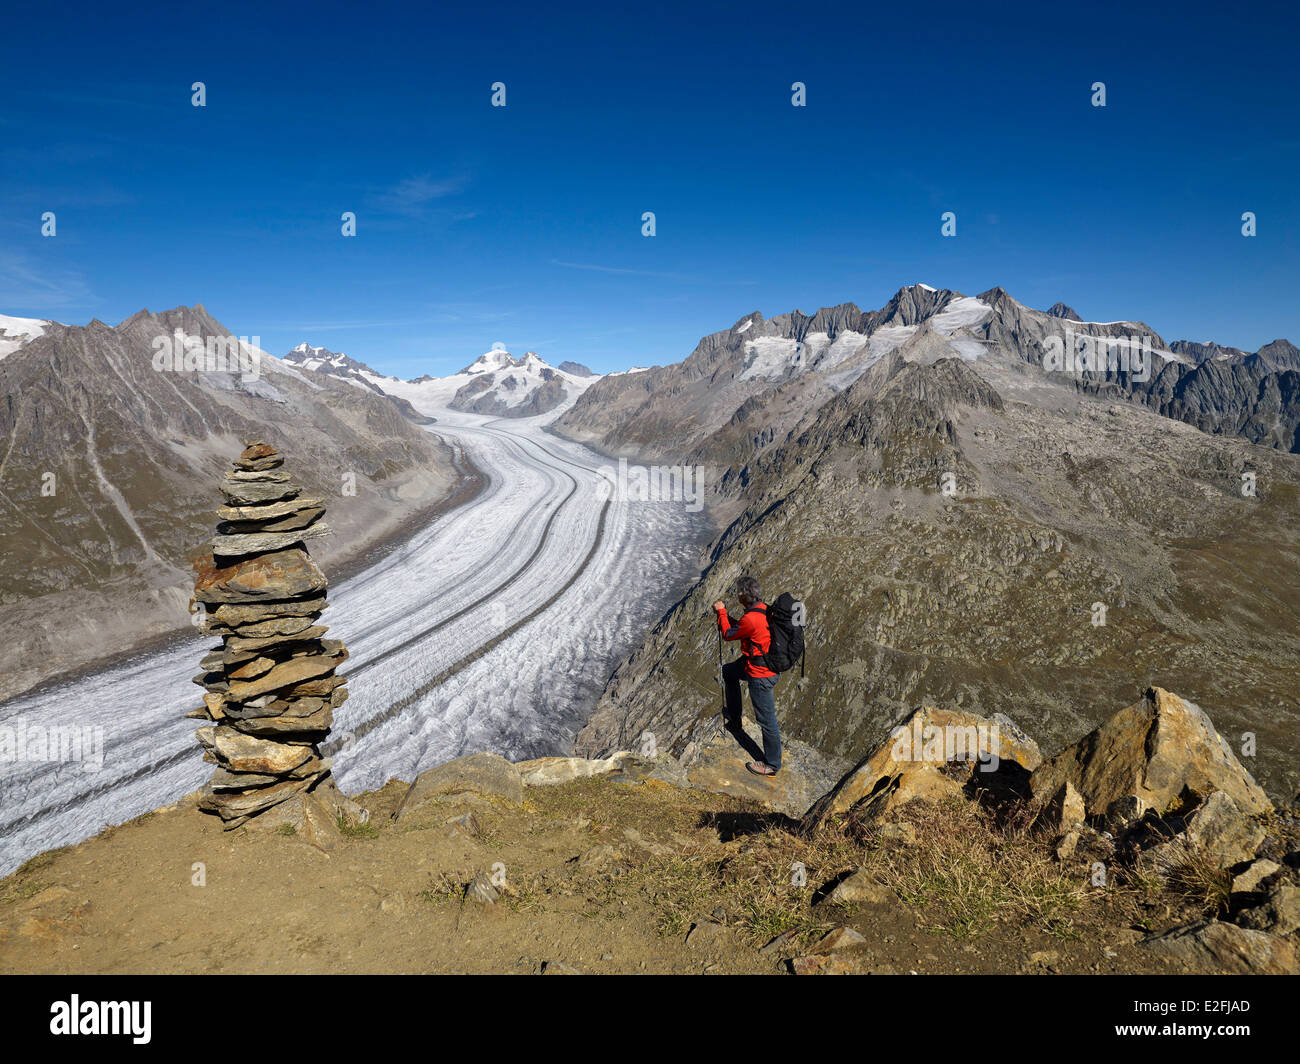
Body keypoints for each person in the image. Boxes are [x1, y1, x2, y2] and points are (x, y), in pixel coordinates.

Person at [714, 576, 782, 777]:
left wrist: (721, 612)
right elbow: (742, 629)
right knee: (729, 671)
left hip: (760, 674)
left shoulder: (750, 618)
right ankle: (735, 720)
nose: (737, 595)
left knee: (767, 720)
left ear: (744, 595)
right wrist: (726, 618)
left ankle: (772, 764)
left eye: (738, 593)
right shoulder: (763, 609)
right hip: (759, 664)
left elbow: (728, 635)